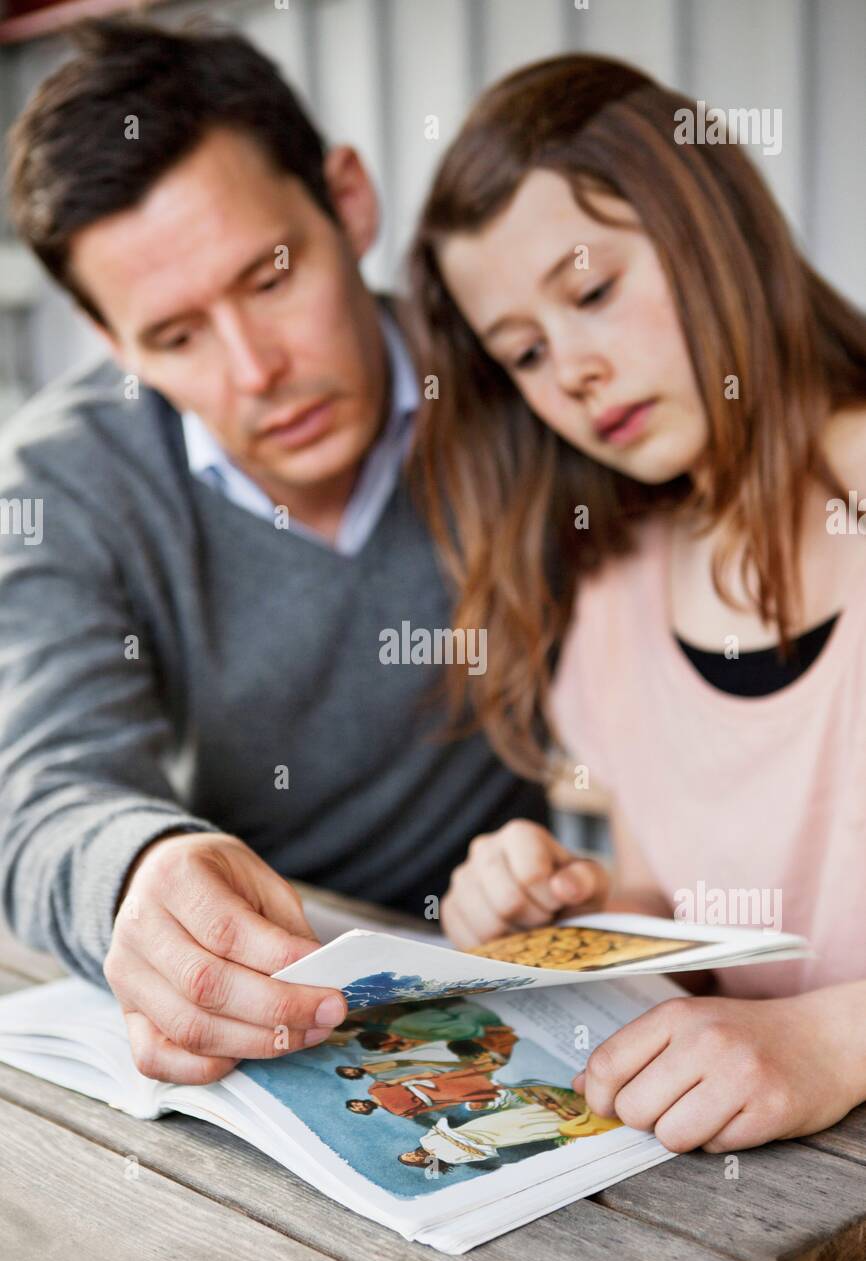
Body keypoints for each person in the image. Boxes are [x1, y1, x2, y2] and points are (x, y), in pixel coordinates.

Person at [0, 19, 606, 1087]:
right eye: (175, 336)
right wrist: (138, 869)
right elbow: (45, 791)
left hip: (502, 976)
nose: (255, 370)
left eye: (271, 277)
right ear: (110, 341)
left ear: (348, 201)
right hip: (261, 1011)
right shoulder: (61, 478)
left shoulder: (522, 373)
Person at [409, 53, 866, 1152]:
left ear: (711, 224)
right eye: (521, 351)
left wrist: (837, 1040)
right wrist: (571, 910)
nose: (570, 370)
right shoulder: (609, 599)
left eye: (592, 292)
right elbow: (682, 905)